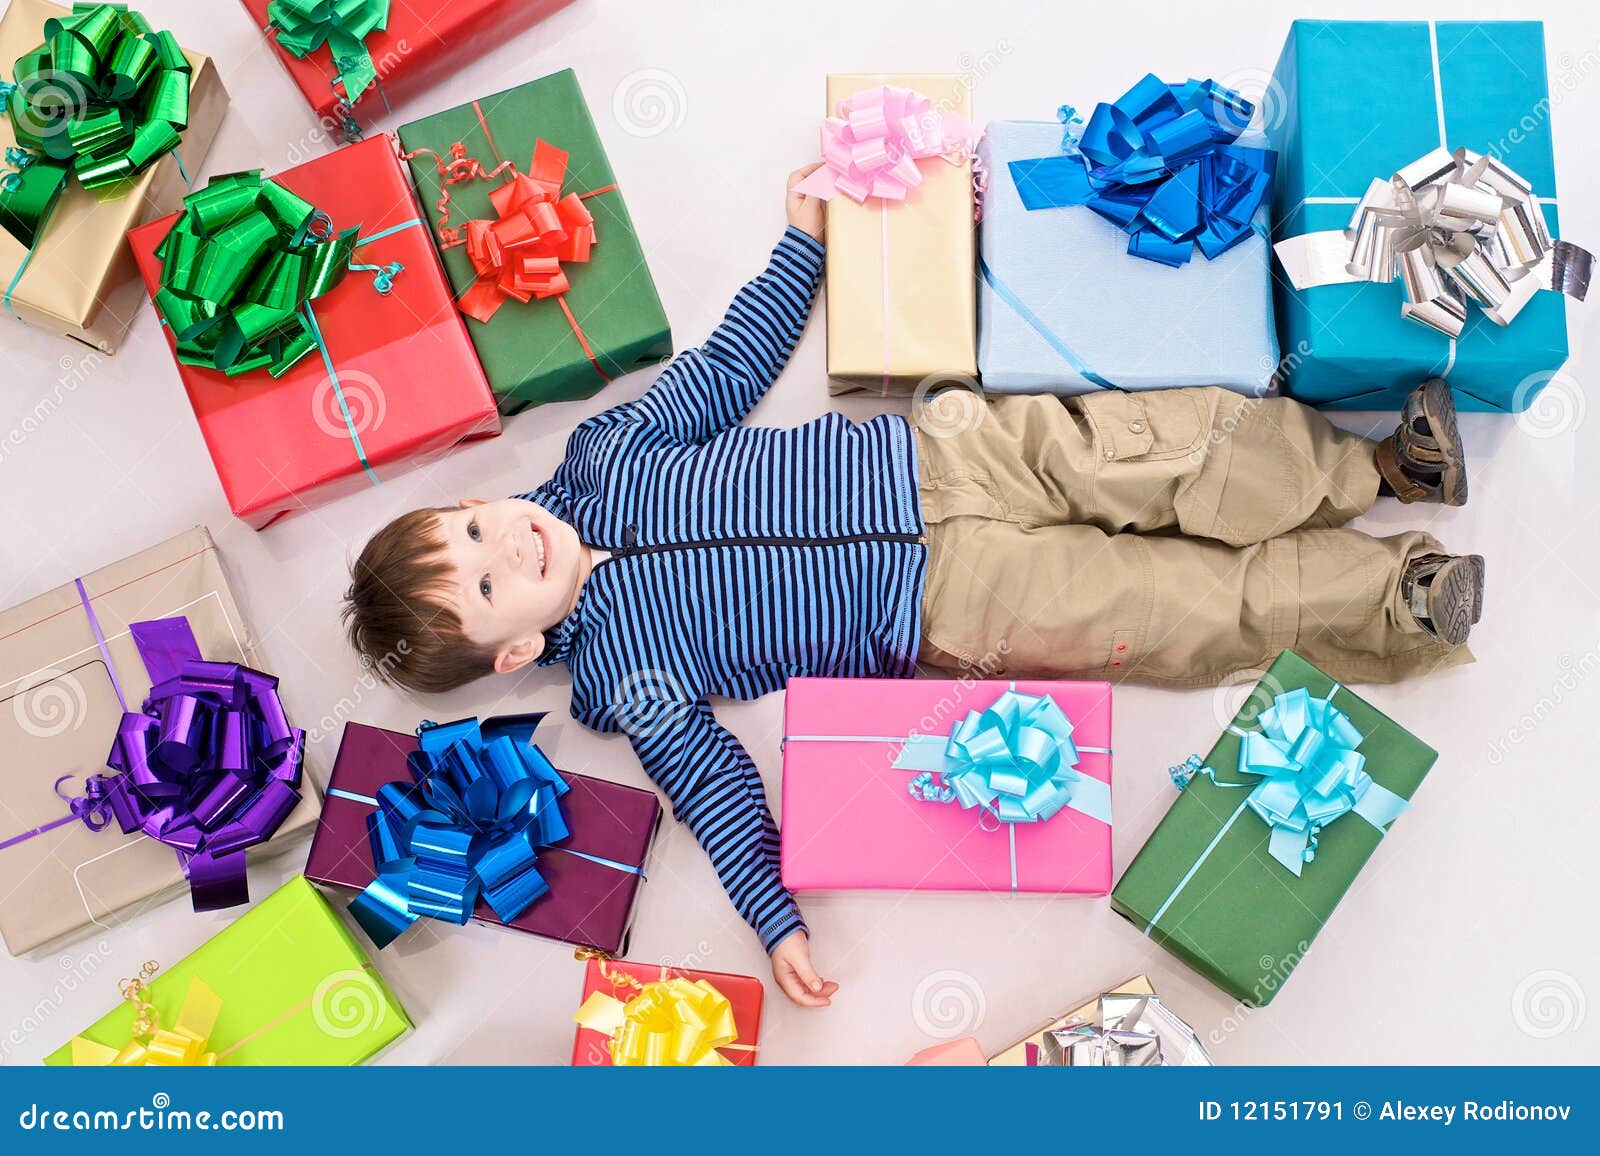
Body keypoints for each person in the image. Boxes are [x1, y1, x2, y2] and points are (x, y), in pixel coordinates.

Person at [342, 163, 1483, 1006]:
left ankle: (1375, 467)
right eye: (487, 583)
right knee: (1168, 607)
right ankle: (1397, 599)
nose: (511, 545)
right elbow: (714, 787)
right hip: (954, 603)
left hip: (944, 457)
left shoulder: (605, 452)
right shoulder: (625, 680)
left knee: (1155, 444)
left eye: (479, 525)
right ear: (514, 653)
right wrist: (773, 918)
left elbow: (727, 370)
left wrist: (801, 246)